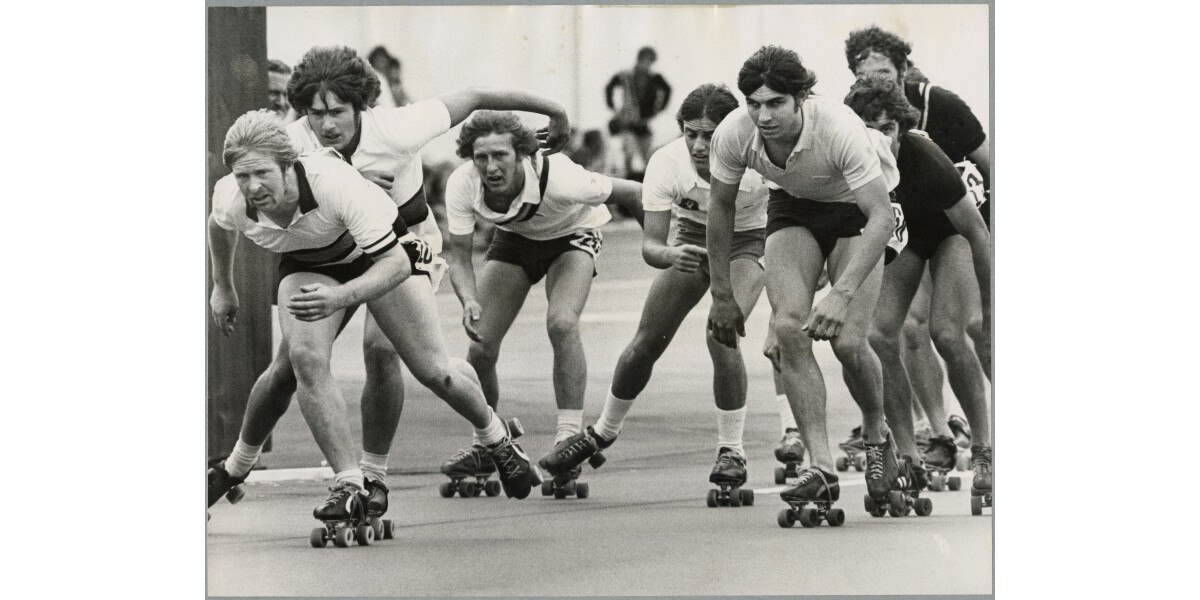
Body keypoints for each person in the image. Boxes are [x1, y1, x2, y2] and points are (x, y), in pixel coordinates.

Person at [206, 46, 571, 514]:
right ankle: (254, 470)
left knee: (394, 355)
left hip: (400, 243)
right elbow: (222, 215)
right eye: (316, 114)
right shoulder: (288, 148)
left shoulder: (397, 128)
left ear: (362, 106)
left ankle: (471, 444)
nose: (328, 125)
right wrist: (223, 284)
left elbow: (477, 95)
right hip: (326, 252)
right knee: (293, 365)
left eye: (338, 111)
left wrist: (554, 111)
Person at [536, 84, 803, 490]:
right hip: (695, 240)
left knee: (722, 332)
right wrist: (669, 257)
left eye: (710, 135)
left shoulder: (760, 156)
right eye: (690, 133)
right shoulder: (667, 162)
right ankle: (602, 432)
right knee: (646, 341)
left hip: (753, 242)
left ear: (731, 133)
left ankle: (732, 449)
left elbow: (794, 215)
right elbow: (652, 244)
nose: (699, 145)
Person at [705, 45, 899, 511]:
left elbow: (880, 217)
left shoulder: (837, 127)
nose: (763, 115)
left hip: (859, 211)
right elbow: (721, 208)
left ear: (800, 99)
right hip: (794, 206)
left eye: (776, 104)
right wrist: (721, 293)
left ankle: (878, 434)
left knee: (850, 341)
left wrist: (841, 294)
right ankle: (821, 465)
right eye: (754, 103)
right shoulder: (735, 133)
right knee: (790, 328)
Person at [440, 111, 643, 485]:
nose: (490, 166)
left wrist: (657, 247)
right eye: (480, 157)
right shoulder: (462, 185)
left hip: (573, 234)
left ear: (521, 154)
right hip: (517, 238)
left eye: (500, 155)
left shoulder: (561, 178)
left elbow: (633, 191)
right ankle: (487, 445)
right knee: (480, 344)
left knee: (562, 322)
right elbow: (459, 257)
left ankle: (567, 437)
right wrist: (468, 299)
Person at [844, 25, 992, 466]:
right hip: (909, 232)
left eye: (888, 129)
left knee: (951, 331)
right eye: (868, 130)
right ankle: (914, 448)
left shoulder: (928, 148)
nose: (878, 140)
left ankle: (984, 446)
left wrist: (990, 301)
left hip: (955, 230)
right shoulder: (851, 146)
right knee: (882, 333)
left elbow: (976, 232)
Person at [605, 46, 671, 179]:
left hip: (643, 122)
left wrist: (657, 110)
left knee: (648, 157)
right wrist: (613, 108)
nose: (647, 65)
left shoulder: (654, 78)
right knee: (628, 153)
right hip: (628, 123)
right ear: (639, 59)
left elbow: (667, 90)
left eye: (650, 62)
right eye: (645, 61)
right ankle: (628, 181)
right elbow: (609, 87)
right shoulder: (626, 76)